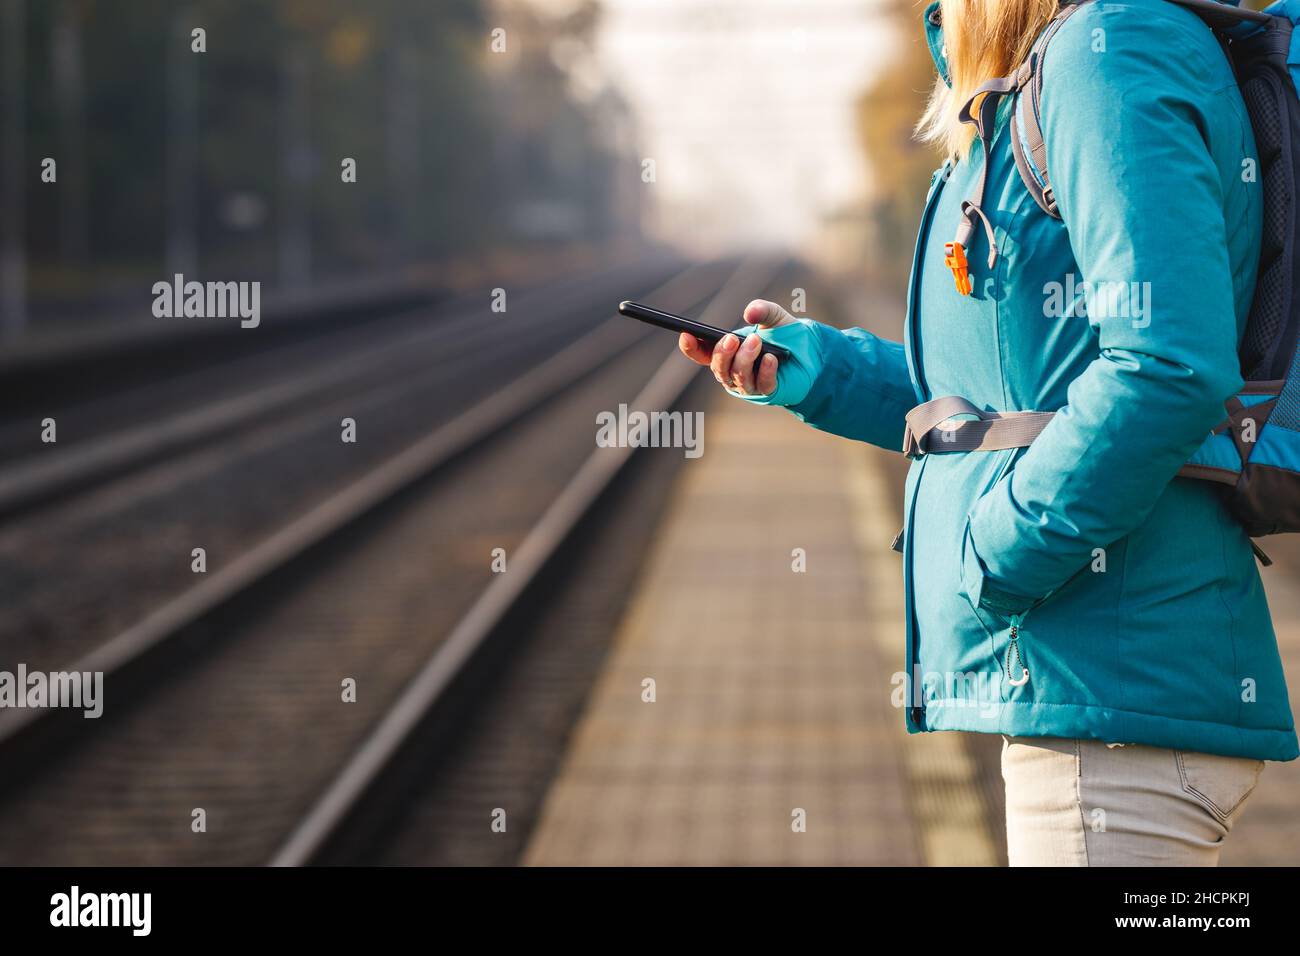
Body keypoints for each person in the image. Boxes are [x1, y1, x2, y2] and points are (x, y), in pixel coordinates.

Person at [679, 0, 1298, 866]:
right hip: (1097, 700)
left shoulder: (1106, 53)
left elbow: (1170, 366)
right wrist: (818, 368)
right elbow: (1001, 402)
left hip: (1110, 703)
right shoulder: (1071, 65)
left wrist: (994, 553)